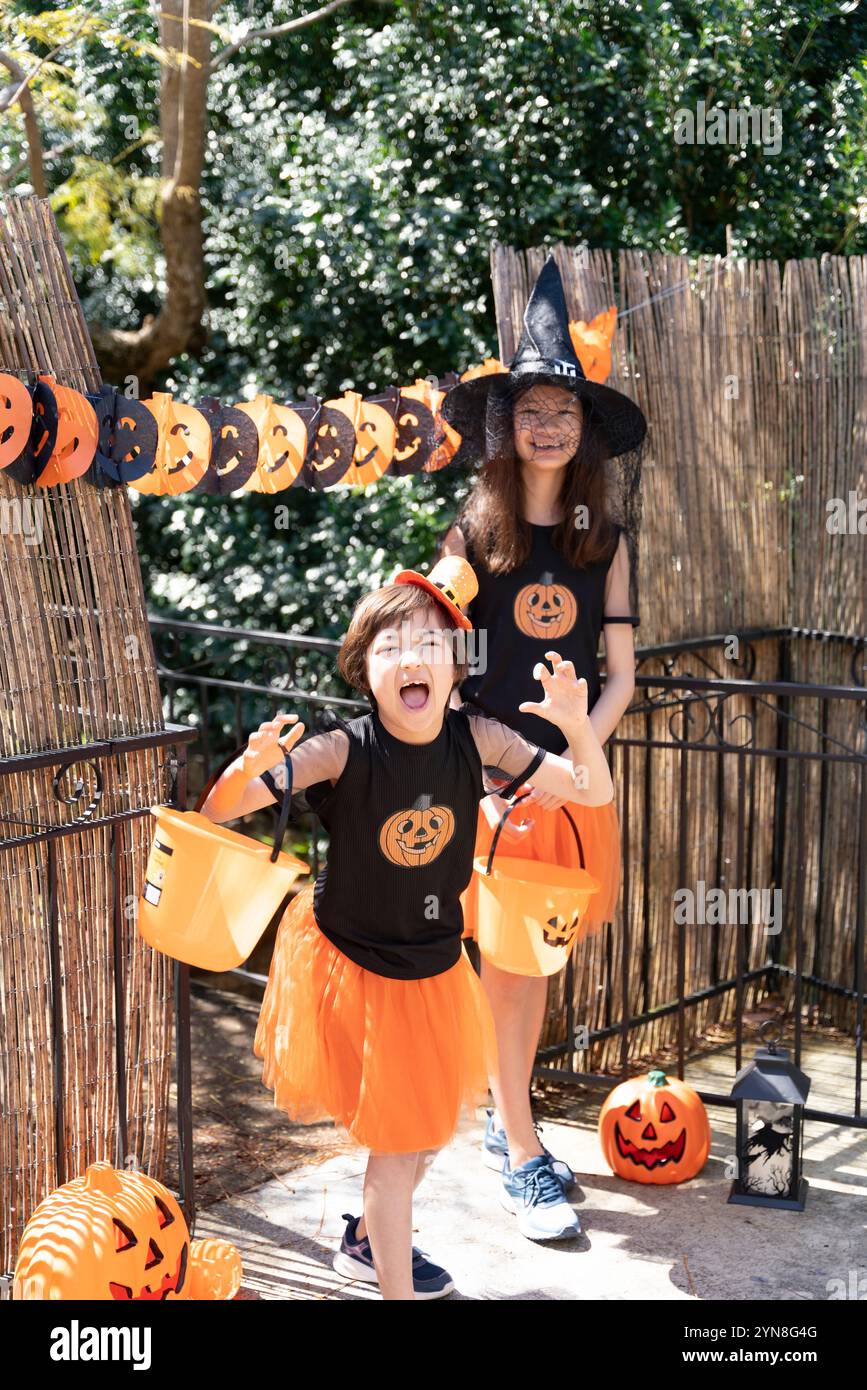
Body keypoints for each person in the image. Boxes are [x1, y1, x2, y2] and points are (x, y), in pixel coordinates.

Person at [199, 553, 614, 1298]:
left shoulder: (480, 740)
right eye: (389, 647)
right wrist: (248, 766)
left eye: (428, 643)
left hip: (431, 965)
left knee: (427, 1131)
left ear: (456, 668)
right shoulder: (340, 749)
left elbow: (588, 788)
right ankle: (389, 1276)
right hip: (350, 962)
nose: (409, 657)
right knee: (395, 1154)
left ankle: (363, 1240)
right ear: (365, 672)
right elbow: (218, 812)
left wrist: (578, 728)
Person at [437, 253, 648, 1239]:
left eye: (564, 408)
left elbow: (621, 678)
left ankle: (503, 1122)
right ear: (506, 422)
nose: (549, 425)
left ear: (585, 427)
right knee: (504, 968)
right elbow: (436, 646)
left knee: (532, 968)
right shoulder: (474, 528)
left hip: (572, 781)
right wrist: (500, 766)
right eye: (532, 408)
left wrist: (571, 766)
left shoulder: (603, 531)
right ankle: (520, 1151)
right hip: (488, 781)